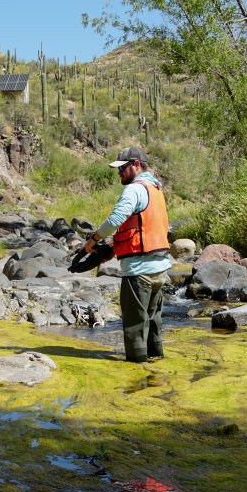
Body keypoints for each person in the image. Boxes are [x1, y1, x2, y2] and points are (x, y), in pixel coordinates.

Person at [83, 146, 174, 362]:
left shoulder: (134, 189)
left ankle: (137, 367)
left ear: (135, 165)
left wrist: (93, 240)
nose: (119, 172)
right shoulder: (156, 188)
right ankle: (156, 363)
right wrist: (114, 248)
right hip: (159, 269)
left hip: (139, 271)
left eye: (122, 168)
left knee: (134, 325)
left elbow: (116, 220)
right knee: (152, 321)